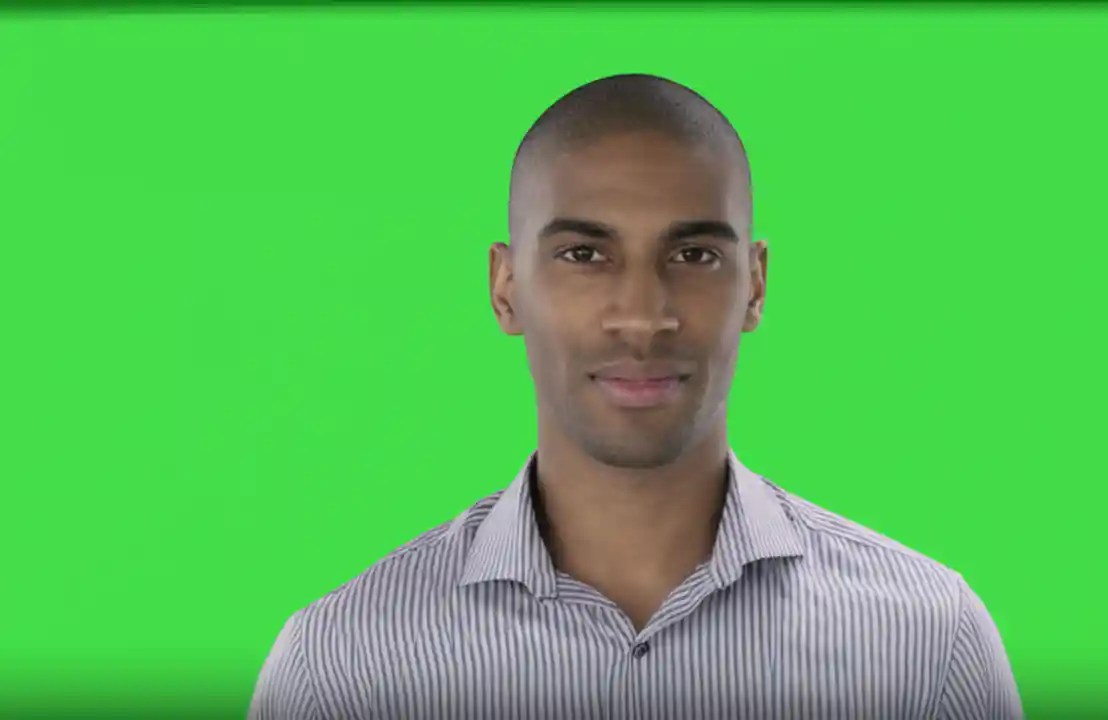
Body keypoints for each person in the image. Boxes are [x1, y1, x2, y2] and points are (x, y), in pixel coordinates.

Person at [248, 72, 1023, 720]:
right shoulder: (343, 668)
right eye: (585, 254)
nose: (644, 316)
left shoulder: (927, 645)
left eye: (692, 254)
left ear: (754, 285)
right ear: (506, 287)